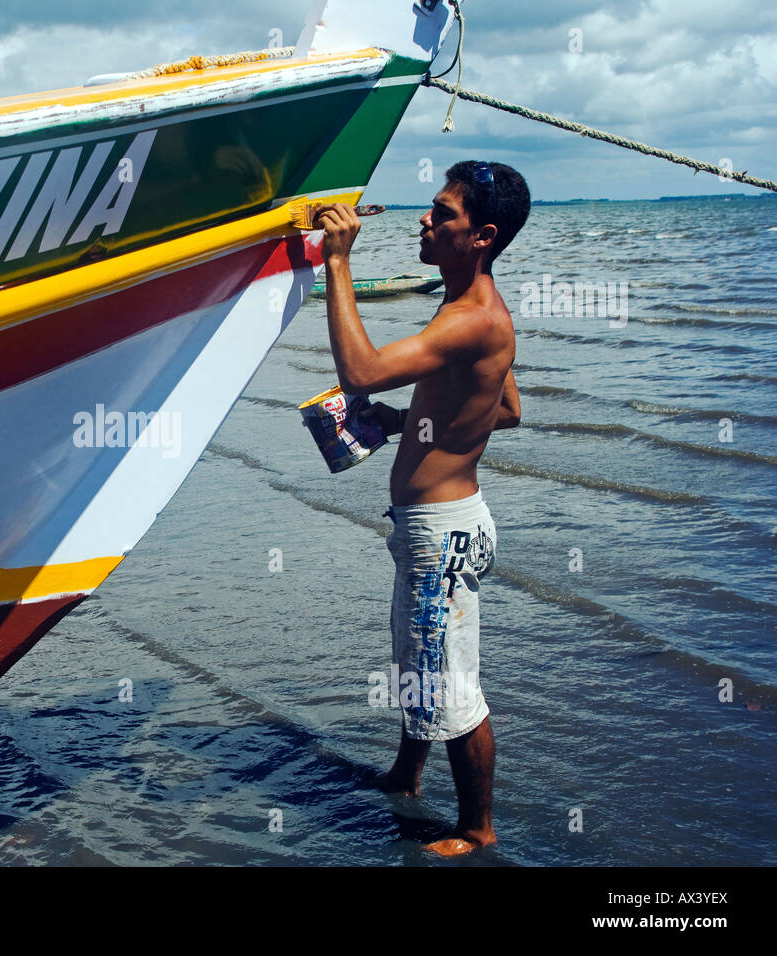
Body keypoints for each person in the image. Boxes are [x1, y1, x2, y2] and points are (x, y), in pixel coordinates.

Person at [314, 161, 530, 856]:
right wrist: (415, 419)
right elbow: (507, 408)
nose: (426, 222)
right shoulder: (471, 309)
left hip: (443, 538)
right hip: (440, 528)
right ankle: (408, 773)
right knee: (420, 657)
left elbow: (362, 370)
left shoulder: (471, 319)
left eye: (443, 215)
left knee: (451, 683)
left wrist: (337, 261)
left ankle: (477, 827)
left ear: (482, 236)